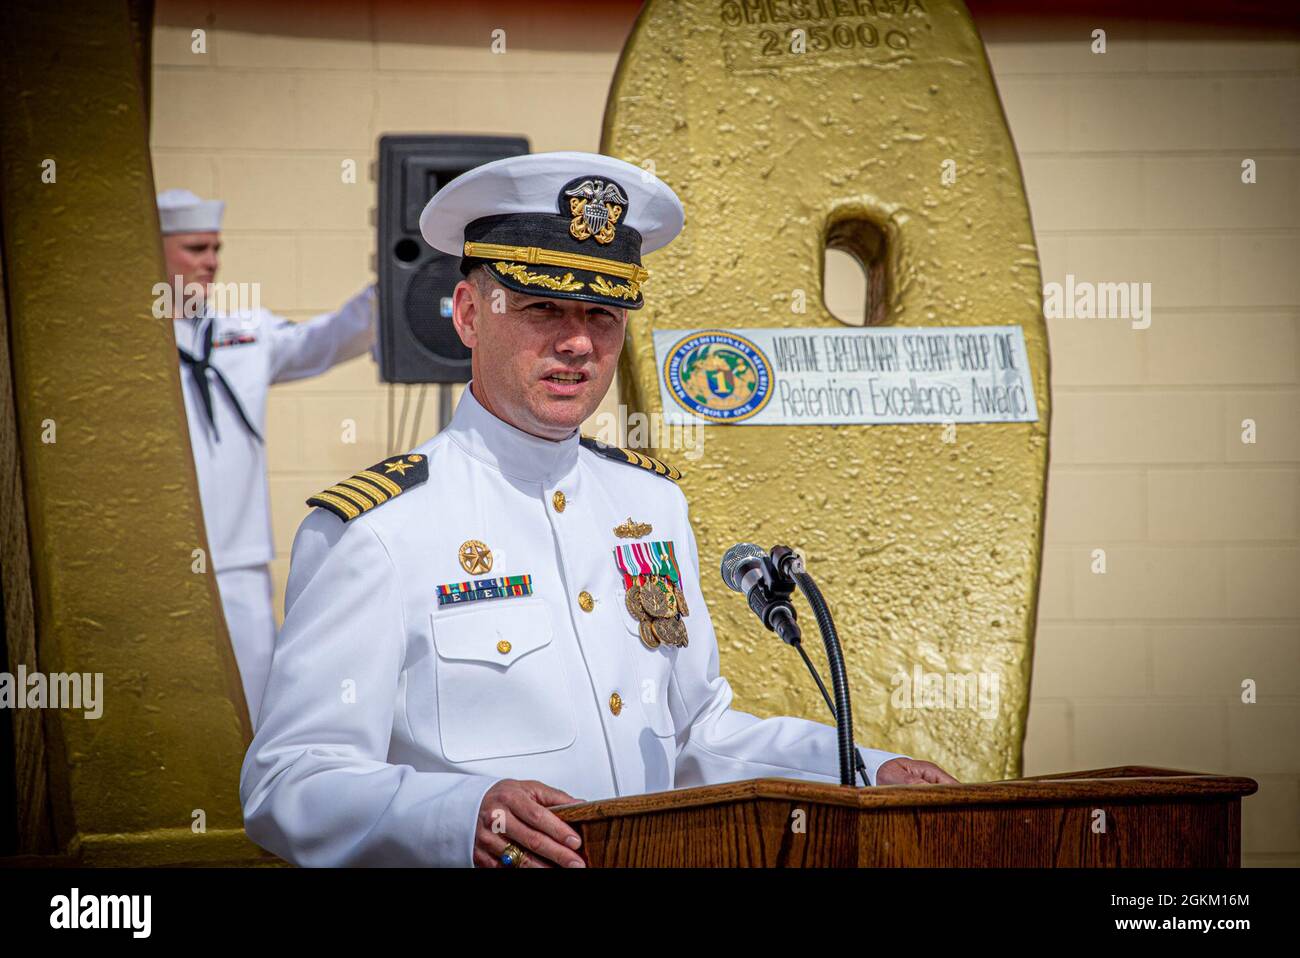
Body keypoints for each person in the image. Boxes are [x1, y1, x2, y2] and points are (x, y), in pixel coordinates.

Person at [239, 152, 956, 868]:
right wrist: (462, 815)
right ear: (467, 315)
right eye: (542, 307)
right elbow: (290, 780)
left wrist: (863, 769)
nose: (578, 341)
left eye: (602, 313)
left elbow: (696, 735)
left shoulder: (651, 505)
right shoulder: (378, 530)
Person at [158, 189, 377, 726]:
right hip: (158, 563)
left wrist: (392, 283)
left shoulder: (245, 334)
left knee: (256, 713)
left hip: (239, 564)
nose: (211, 261)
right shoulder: (128, 348)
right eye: (195, 248)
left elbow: (324, 340)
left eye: (216, 248)